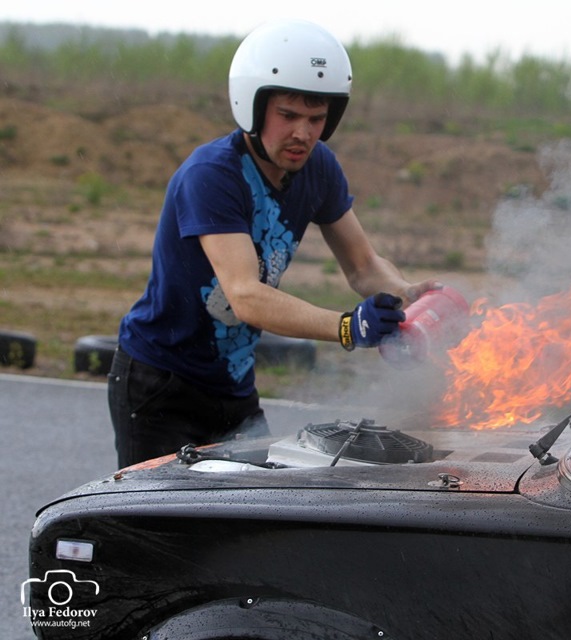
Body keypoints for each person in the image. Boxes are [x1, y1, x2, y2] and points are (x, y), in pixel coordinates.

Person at [108, 18, 438, 468]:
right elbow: (245, 295)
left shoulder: (319, 168)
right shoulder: (213, 175)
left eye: (316, 119)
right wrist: (347, 327)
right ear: (254, 106)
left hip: (234, 387)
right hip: (161, 382)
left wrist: (409, 297)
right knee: (161, 525)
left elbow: (363, 265)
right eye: (288, 115)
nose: (303, 133)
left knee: (250, 520)